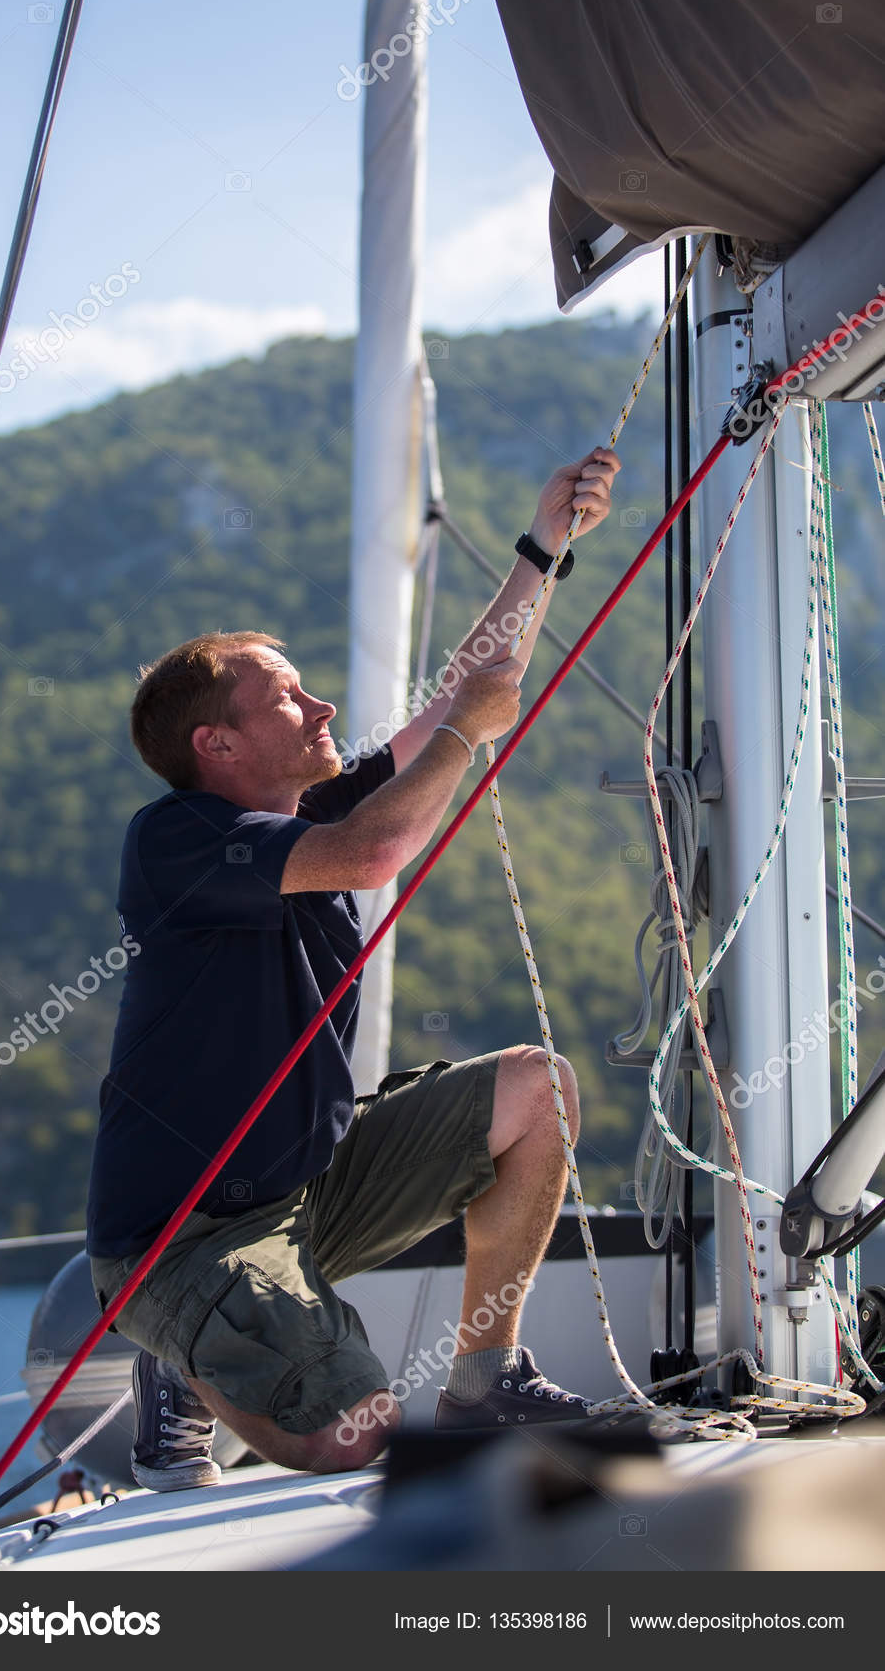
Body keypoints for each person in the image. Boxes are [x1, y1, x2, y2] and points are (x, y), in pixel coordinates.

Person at [87, 446, 621, 1489]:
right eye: (289, 697)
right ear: (219, 743)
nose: (323, 706)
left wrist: (542, 544)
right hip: (185, 1233)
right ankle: (182, 1357)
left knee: (534, 1086)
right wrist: (462, 740)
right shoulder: (178, 839)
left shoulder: (307, 808)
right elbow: (377, 851)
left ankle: (485, 1378)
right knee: (359, 1435)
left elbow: (468, 687)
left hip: (307, 1184)